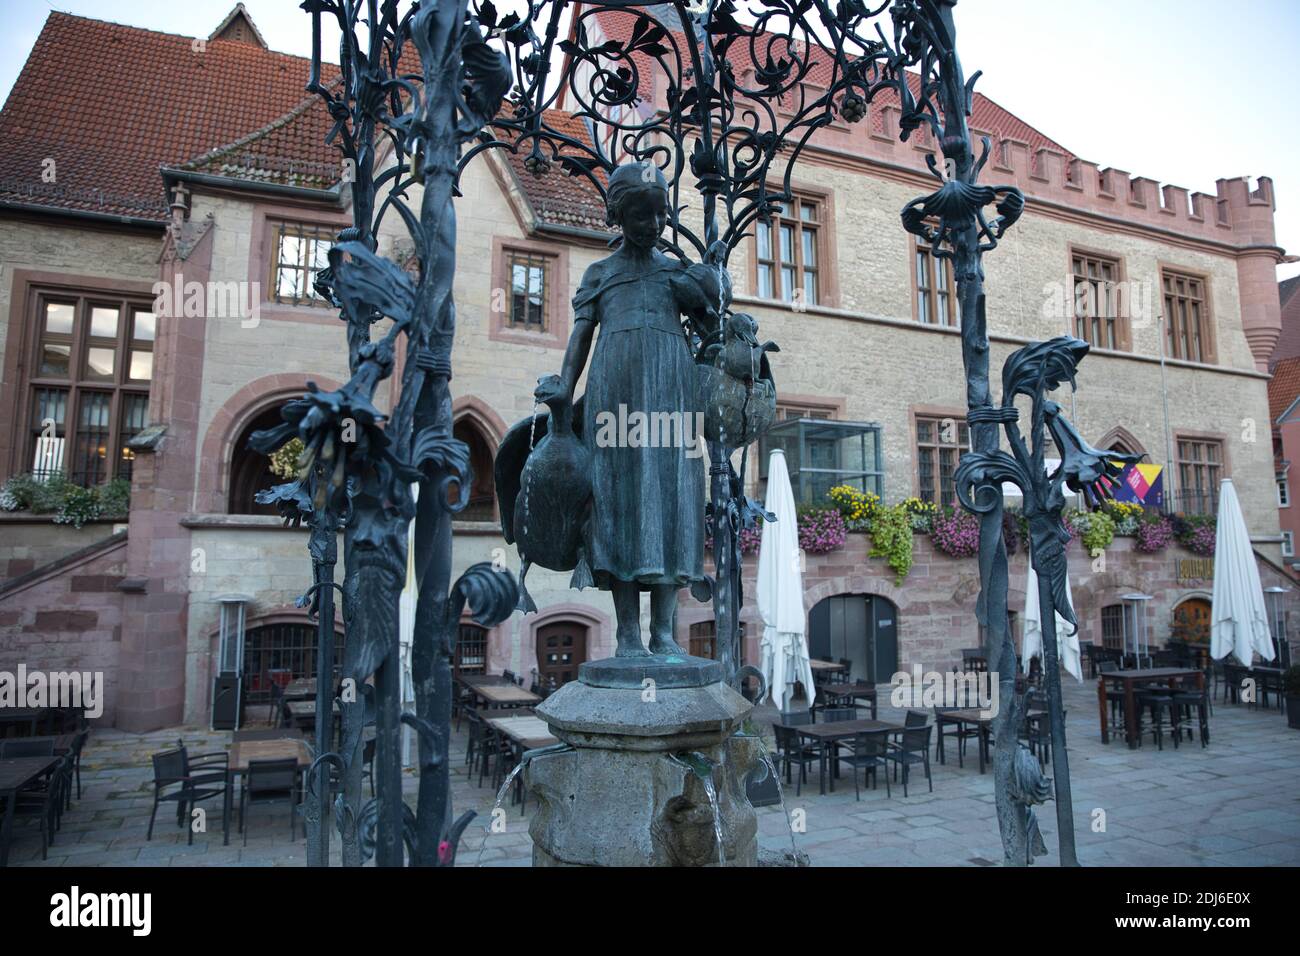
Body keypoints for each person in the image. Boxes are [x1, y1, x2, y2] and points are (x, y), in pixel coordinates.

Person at [557, 162, 712, 657]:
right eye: (641, 215)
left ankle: (663, 633)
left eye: (660, 214)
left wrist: (705, 300)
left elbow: (715, 335)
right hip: (616, 392)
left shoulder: (677, 273)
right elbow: (581, 335)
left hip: (673, 392)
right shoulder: (599, 274)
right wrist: (563, 389)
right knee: (618, 499)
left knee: (672, 498)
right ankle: (627, 636)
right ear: (617, 215)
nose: (653, 224)